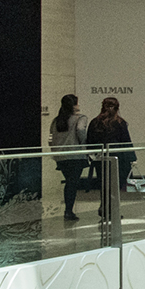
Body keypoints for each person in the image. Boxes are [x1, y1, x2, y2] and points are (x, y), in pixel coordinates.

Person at [84, 96, 135, 219]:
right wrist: (132, 158)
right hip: (118, 159)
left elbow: (89, 141)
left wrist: (91, 156)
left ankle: (104, 207)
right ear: (117, 108)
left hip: (100, 159)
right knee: (115, 185)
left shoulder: (95, 122)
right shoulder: (120, 123)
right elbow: (126, 141)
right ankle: (113, 209)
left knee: (104, 184)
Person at [49, 93, 88, 222]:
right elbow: (81, 130)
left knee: (69, 182)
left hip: (60, 156)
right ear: (74, 105)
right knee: (72, 183)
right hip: (76, 155)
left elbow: (50, 139)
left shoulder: (56, 120)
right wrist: (85, 145)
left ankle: (68, 209)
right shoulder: (80, 118)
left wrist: (54, 150)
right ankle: (68, 210)